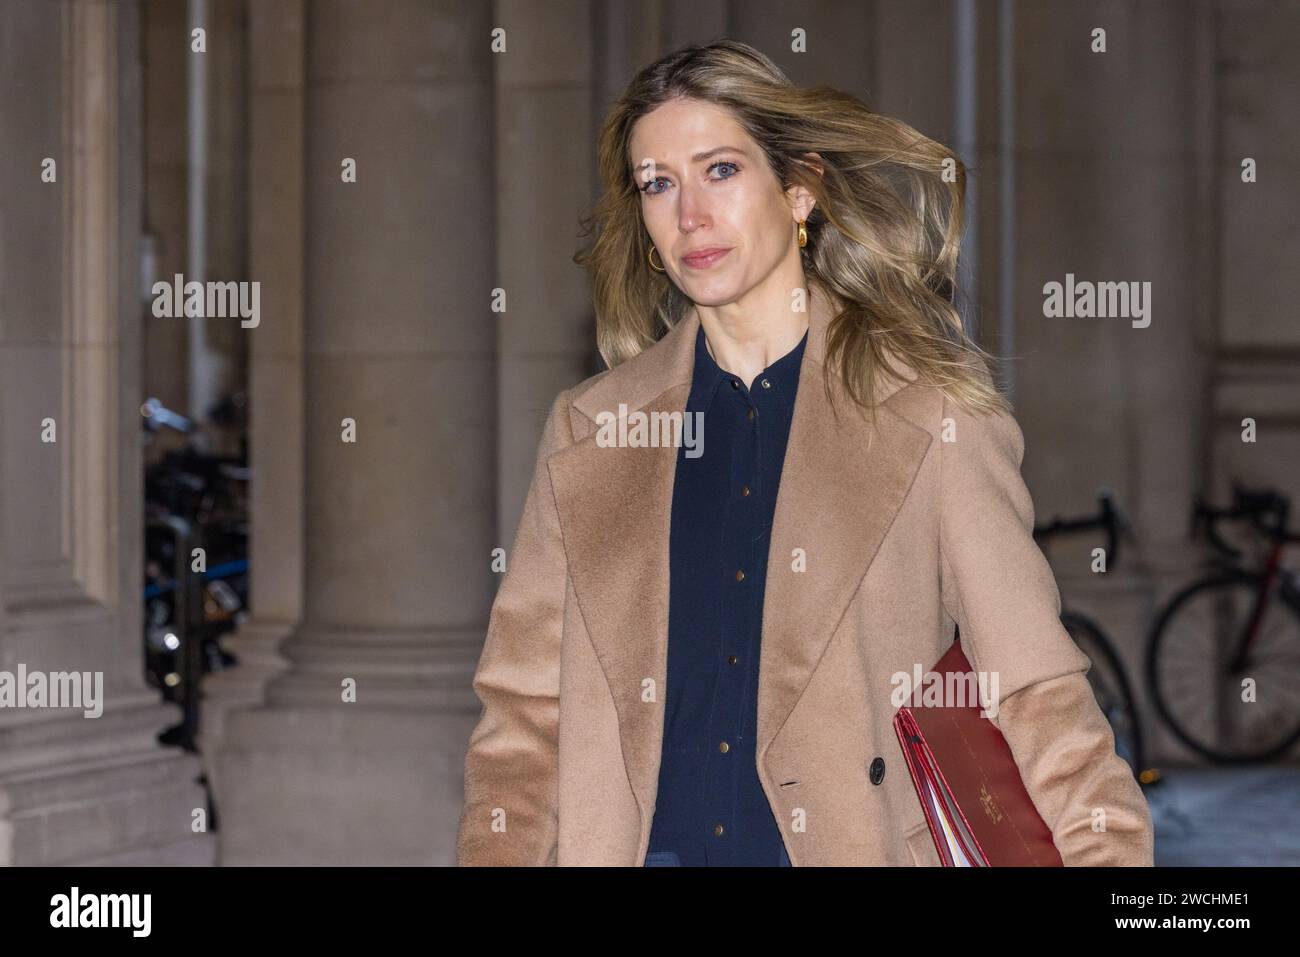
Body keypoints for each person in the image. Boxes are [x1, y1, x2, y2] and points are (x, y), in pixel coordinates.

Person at [456, 38, 1154, 867]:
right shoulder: (592, 429)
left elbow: (1036, 692)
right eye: (658, 184)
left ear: (800, 189)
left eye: (720, 170)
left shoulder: (929, 417)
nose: (690, 216)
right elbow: (523, 720)